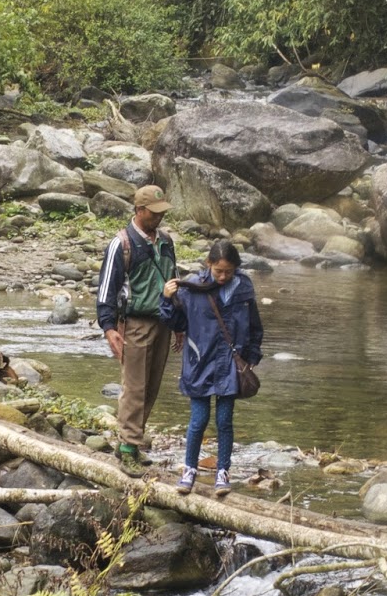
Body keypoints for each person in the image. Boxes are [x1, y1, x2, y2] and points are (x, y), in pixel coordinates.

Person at [159, 239, 263, 496]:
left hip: (230, 363)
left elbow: (254, 325)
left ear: (236, 268)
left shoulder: (244, 288)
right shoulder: (193, 287)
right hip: (199, 361)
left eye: (228, 271)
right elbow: (176, 322)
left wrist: (252, 354)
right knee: (199, 420)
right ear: (209, 265)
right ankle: (189, 470)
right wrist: (166, 298)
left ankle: (222, 472)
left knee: (225, 420)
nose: (223, 276)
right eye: (219, 271)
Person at [96, 185, 179, 470]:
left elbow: (174, 281)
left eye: (161, 213)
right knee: (134, 386)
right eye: (154, 213)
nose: (158, 218)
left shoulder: (166, 241)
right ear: (139, 211)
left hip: (165, 320)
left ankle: (131, 441)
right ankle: (128, 446)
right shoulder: (121, 244)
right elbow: (106, 289)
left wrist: (179, 323)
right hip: (135, 323)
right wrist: (109, 328)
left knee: (152, 386)